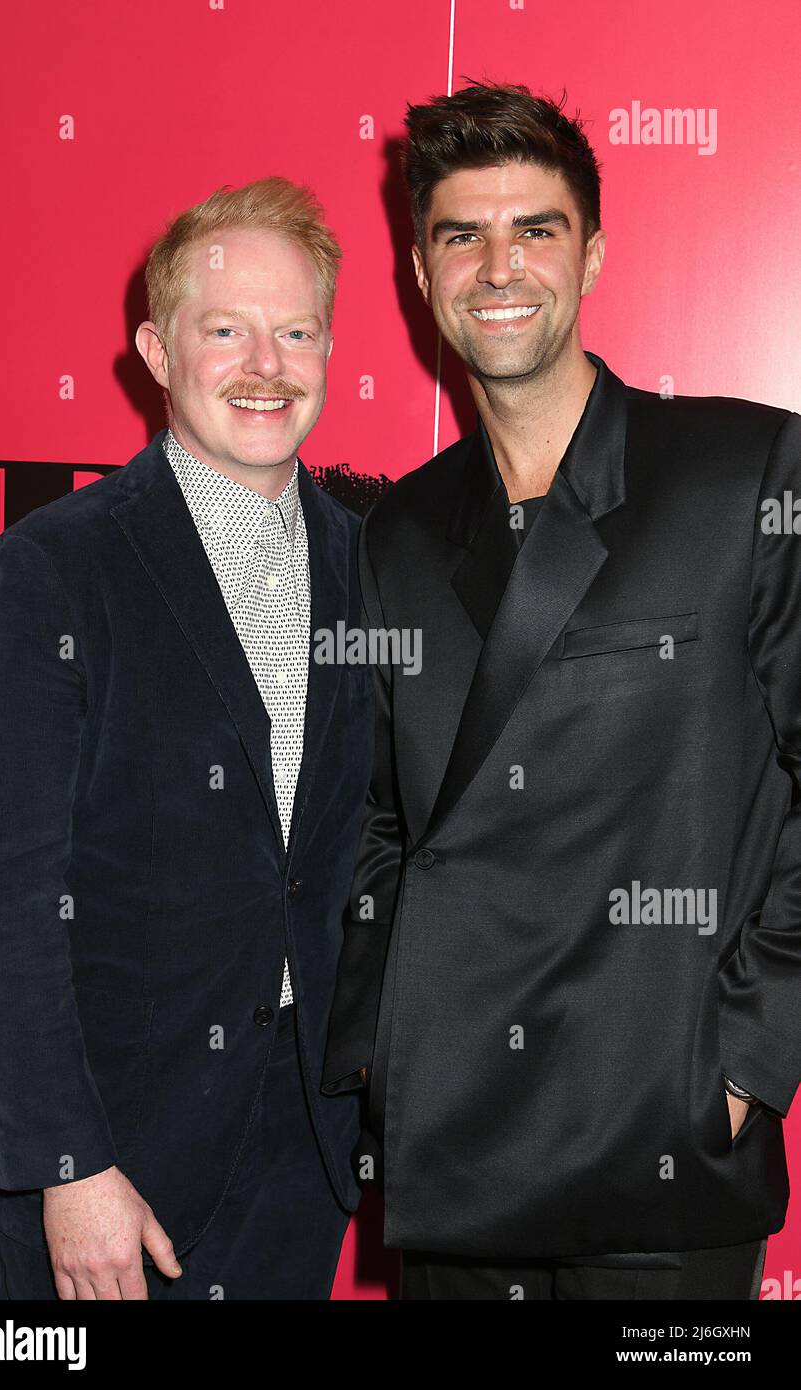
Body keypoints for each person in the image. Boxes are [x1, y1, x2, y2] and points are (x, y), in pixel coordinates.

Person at [322, 81, 798, 1301]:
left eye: (533, 228)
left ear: (591, 251)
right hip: (457, 1143)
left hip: (658, 1147)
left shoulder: (741, 472)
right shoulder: (403, 533)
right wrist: (392, 1045)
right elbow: (384, 818)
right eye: (458, 234)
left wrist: (743, 1060)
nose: (498, 266)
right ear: (419, 272)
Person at [0, 176, 374, 1300]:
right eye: (224, 329)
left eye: (293, 331)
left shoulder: (370, 565)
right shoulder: (52, 570)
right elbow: (3, 891)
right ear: (155, 348)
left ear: (330, 345)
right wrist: (67, 1162)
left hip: (301, 1148)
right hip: (107, 1151)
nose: (264, 364)